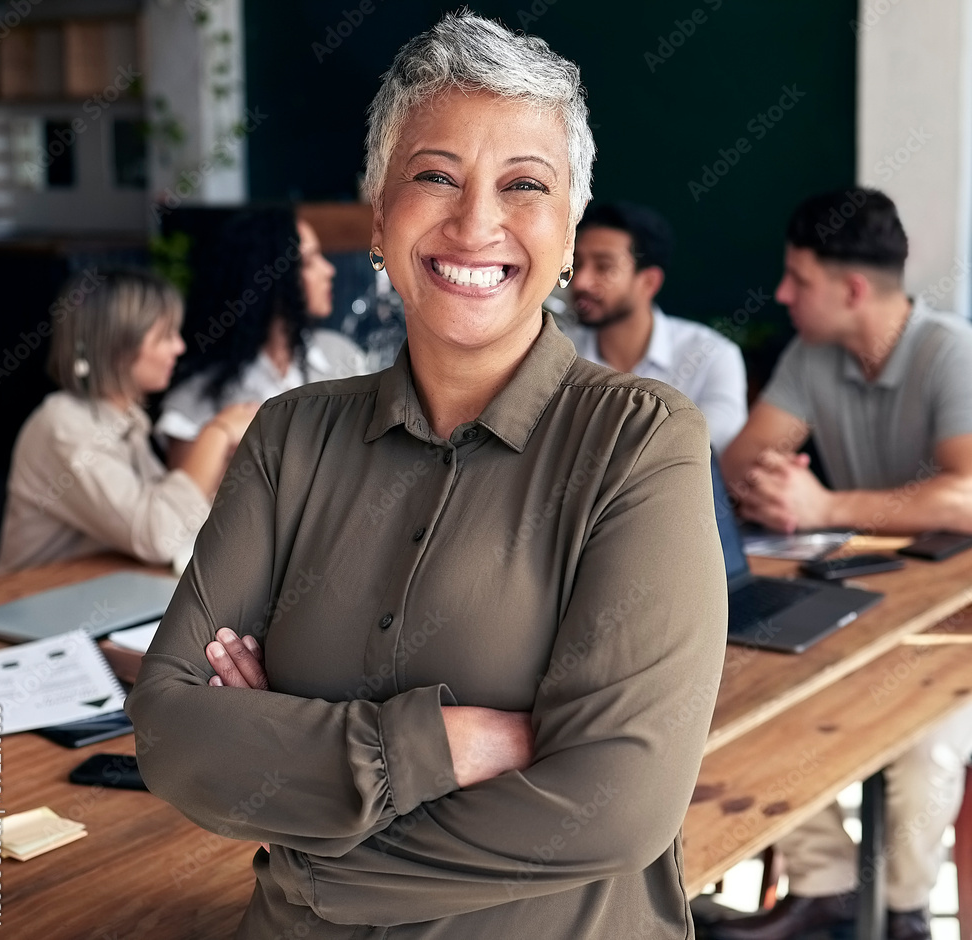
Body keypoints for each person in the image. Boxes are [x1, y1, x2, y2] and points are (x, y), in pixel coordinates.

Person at [125, 12, 727, 939]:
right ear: (378, 218)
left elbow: (613, 804)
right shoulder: (290, 437)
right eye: (435, 175)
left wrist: (309, 853)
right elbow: (170, 730)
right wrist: (445, 745)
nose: (475, 222)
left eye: (525, 185)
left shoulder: (639, 442)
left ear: (569, 237)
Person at [714, 188, 972, 940]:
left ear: (852, 289)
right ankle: (824, 891)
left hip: (953, 628)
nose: (784, 294)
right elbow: (737, 465)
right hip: (868, 607)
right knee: (764, 699)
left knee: (925, 746)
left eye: (798, 279)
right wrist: (770, 483)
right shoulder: (811, 354)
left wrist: (826, 507)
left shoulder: (949, 351)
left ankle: (903, 915)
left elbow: (966, 495)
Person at [0, 270, 255, 575]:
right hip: (33, 609)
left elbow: (178, 523)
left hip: (101, 598)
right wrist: (217, 433)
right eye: (165, 336)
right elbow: (158, 535)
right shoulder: (64, 425)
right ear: (120, 347)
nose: (179, 347)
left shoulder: (127, 420)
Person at [155, 206, 370, 468]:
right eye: (309, 261)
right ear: (272, 279)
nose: (329, 270)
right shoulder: (198, 394)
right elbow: (186, 502)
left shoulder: (343, 356)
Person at [566, 201, 747, 451]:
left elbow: (707, 458)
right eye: (577, 264)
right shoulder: (558, 352)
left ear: (649, 283)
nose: (581, 282)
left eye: (604, 267)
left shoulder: (712, 356)